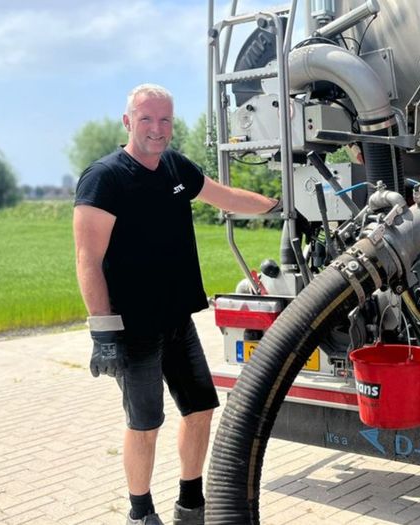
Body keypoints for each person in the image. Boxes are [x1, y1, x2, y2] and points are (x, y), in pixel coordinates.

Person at [73, 83, 277, 525]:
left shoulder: (175, 168)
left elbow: (226, 197)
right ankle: (139, 513)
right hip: (132, 327)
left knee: (200, 410)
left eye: (164, 119)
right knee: (145, 425)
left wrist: (276, 205)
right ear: (127, 122)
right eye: (146, 119)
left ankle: (190, 505)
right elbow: (87, 258)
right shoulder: (104, 177)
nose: (156, 128)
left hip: (177, 321)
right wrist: (103, 331)